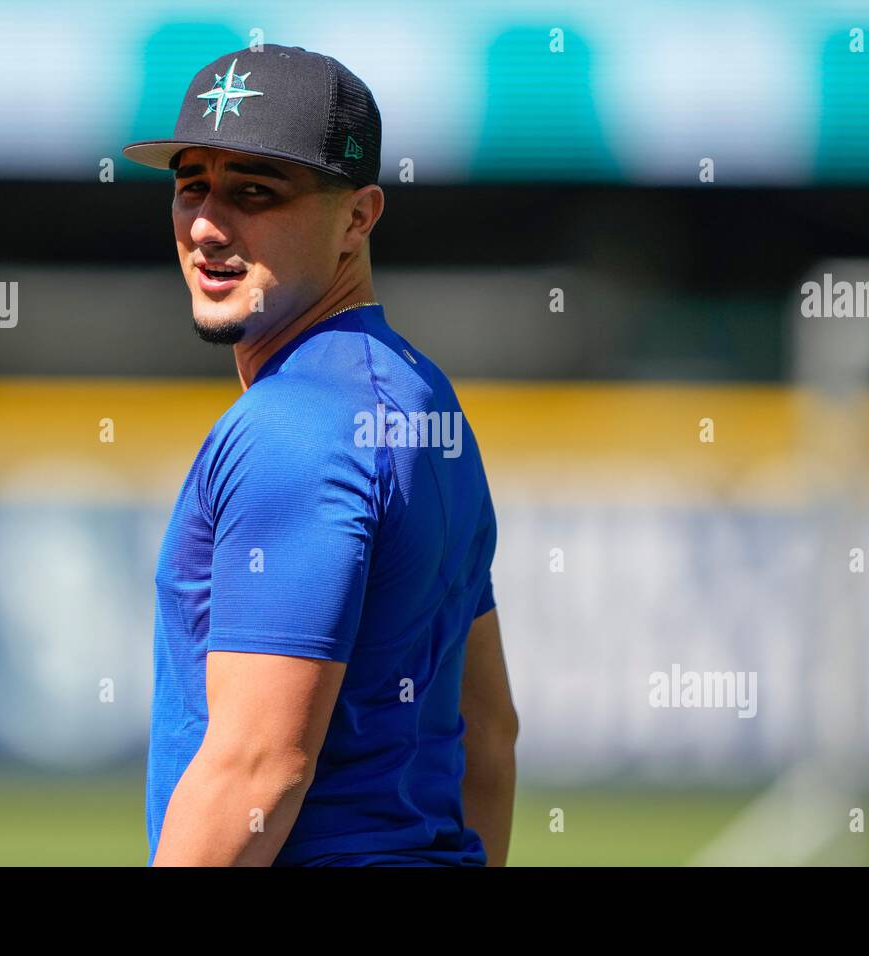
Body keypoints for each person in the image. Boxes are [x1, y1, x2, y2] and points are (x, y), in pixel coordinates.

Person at [123, 44, 517, 866]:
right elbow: (490, 733)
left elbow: (257, 771)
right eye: (191, 184)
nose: (206, 222)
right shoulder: (423, 399)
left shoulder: (293, 427)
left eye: (254, 192)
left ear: (359, 216)